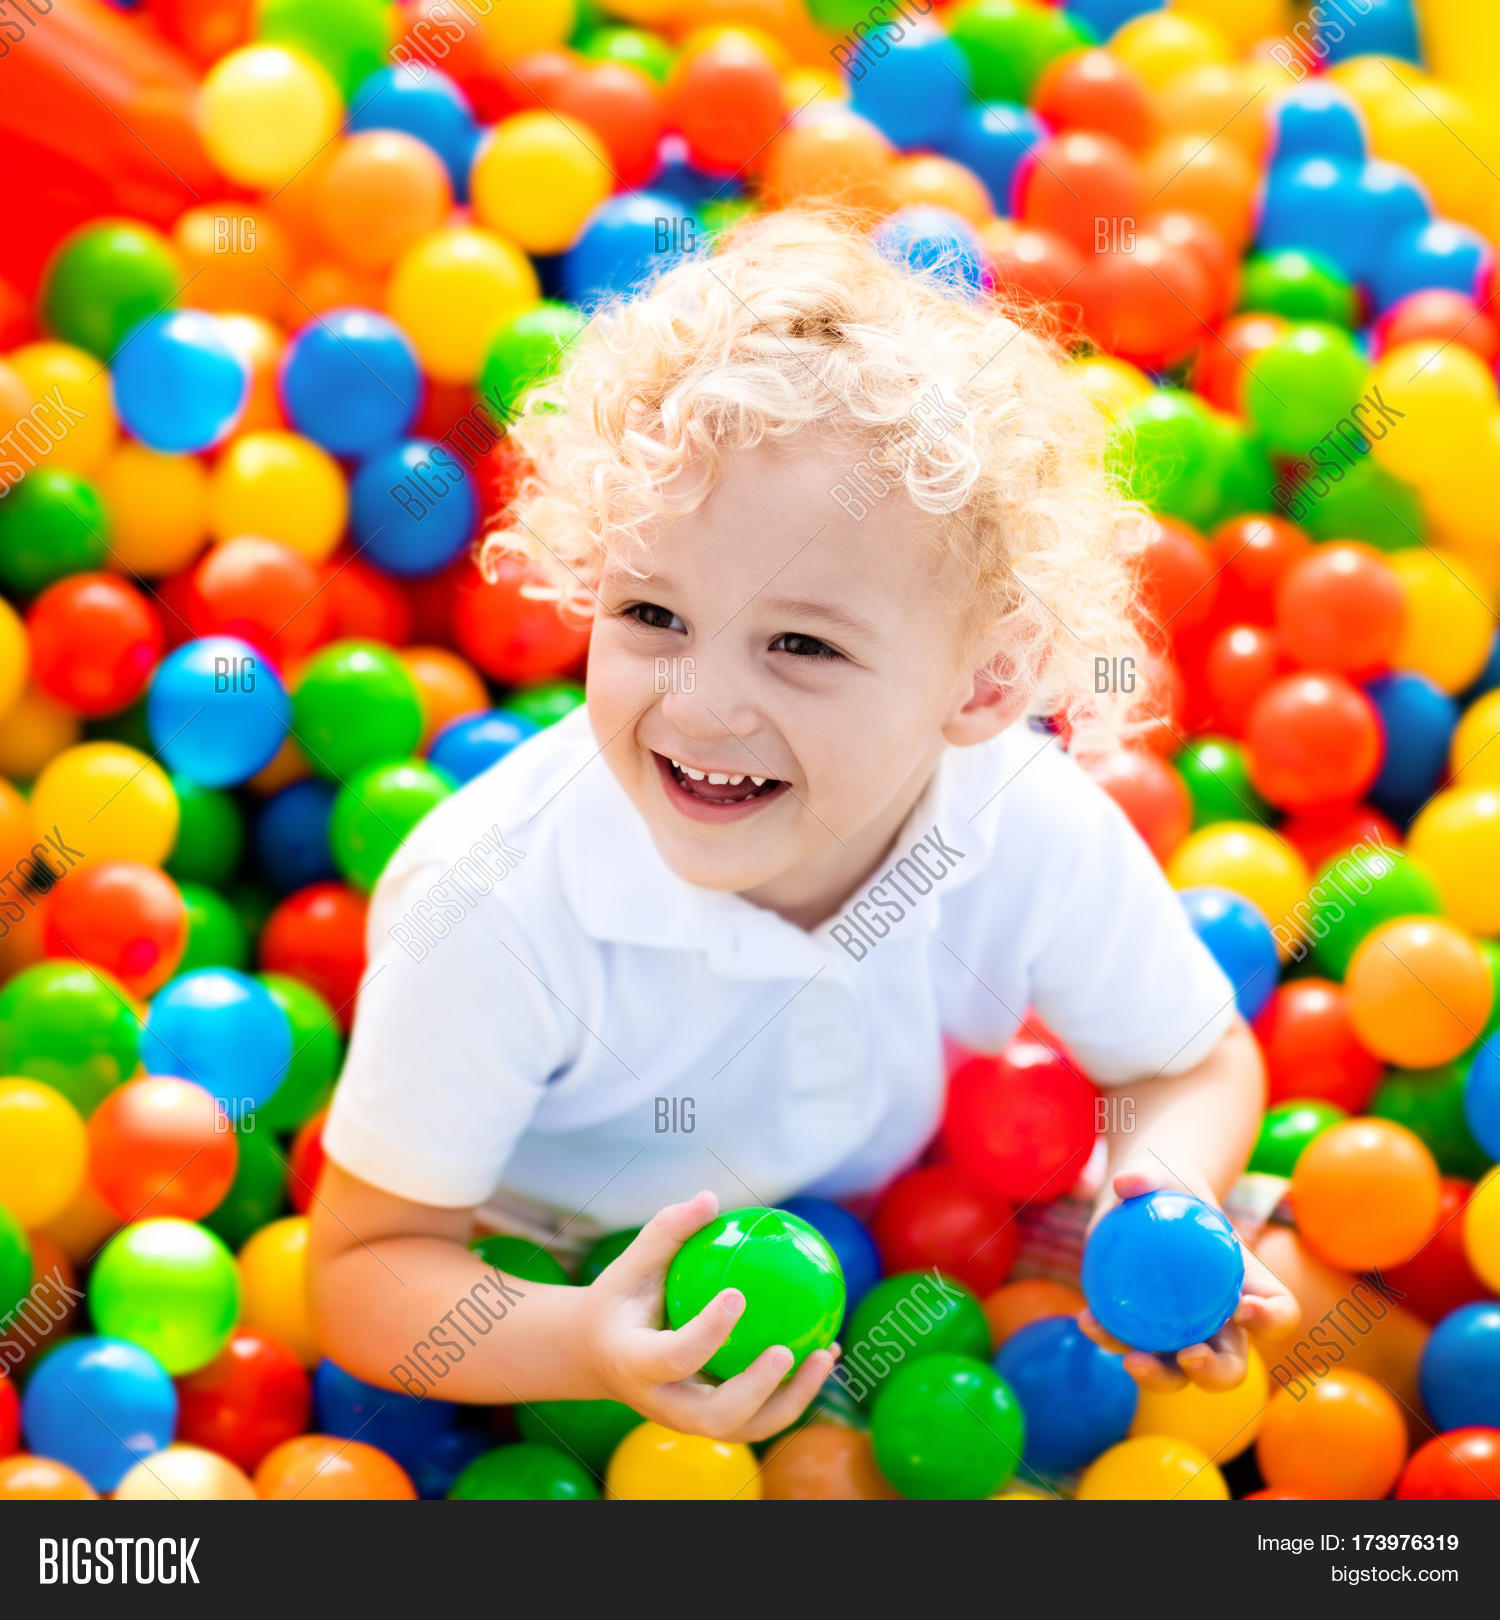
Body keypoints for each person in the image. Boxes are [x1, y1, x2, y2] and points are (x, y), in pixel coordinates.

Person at [310, 211, 1296, 1449]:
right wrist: (586, 1343)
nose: (699, 704)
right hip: (557, 1285)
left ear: (983, 687)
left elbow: (1186, 1065)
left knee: (1290, 1274)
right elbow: (363, 1268)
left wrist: (1161, 1197)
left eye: (803, 645)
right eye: (653, 614)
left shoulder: (1020, 822)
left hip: (911, 1253)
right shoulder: (498, 897)